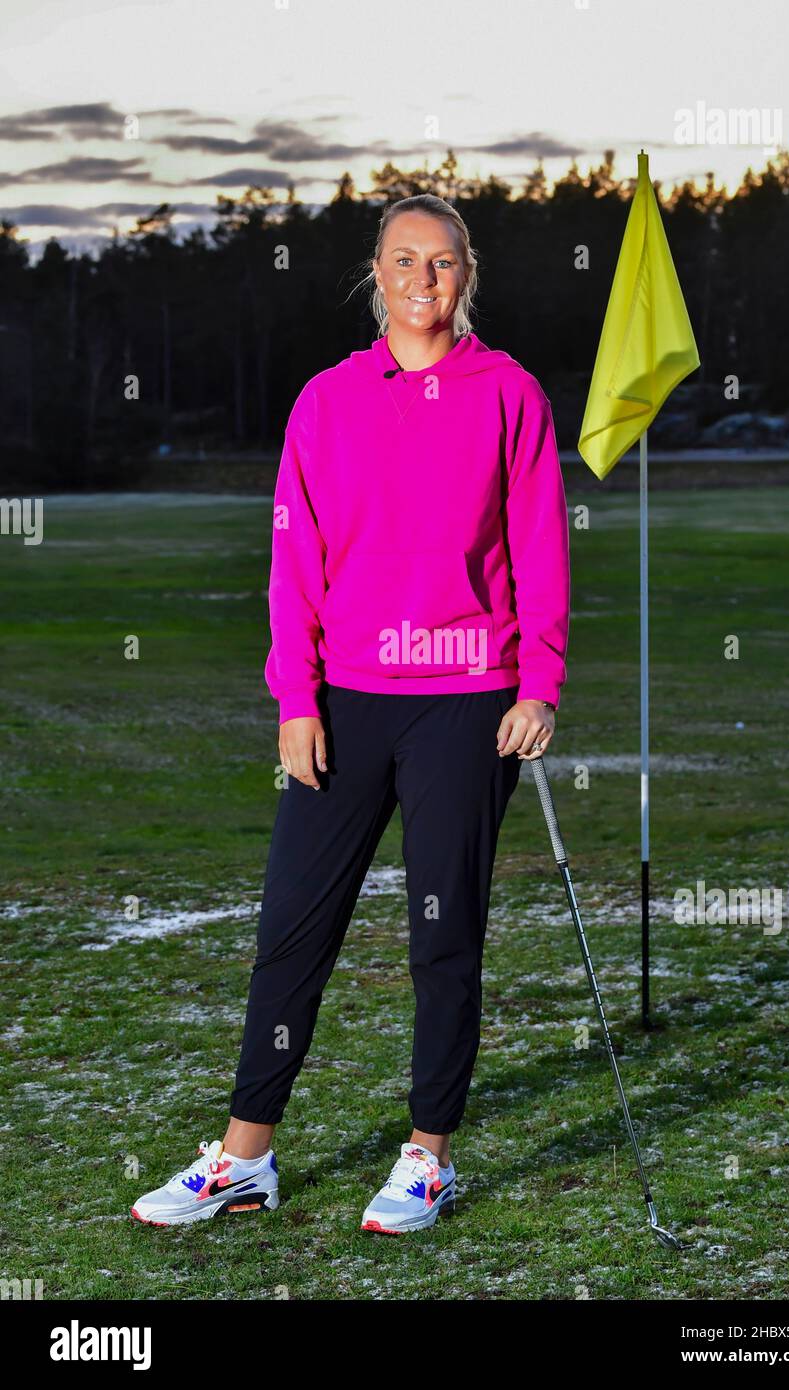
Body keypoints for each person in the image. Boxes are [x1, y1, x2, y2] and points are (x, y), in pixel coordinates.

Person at [132, 194, 570, 1233]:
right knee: (293, 924)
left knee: (442, 933)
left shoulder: (507, 393)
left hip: (466, 702)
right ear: (374, 274)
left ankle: (427, 1156)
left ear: (468, 276)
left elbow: (541, 540)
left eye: (445, 263)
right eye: (404, 261)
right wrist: (295, 698)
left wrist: (537, 681)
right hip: (345, 704)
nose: (424, 281)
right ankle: (245, 1156)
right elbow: (295, 564)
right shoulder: (326, 400)